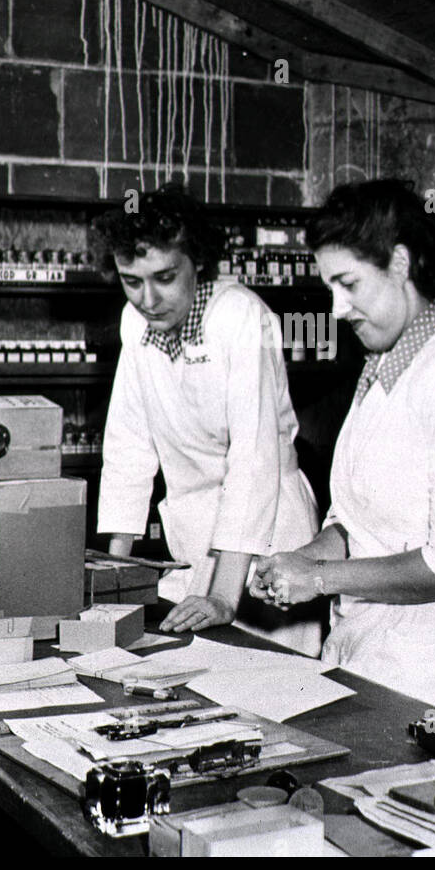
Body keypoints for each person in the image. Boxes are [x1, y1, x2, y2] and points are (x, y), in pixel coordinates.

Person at [252, 179, 435, 712]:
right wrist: (299, 560)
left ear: (399, 263)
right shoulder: (381, 368)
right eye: (330, 288)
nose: (338, 308)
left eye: (348, 284)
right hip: (367, 649)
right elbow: (357, 522)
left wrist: (320, 579)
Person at [91, 188, 322, 655]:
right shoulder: (134, 324)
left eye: (164, 277)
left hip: (267, 536)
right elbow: (128, 446)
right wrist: (113, 580)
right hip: (195, 535)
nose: (148, 299)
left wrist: (223, 595)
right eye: (131, 281)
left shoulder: (239, 316)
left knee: (270, 692)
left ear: (197, 261)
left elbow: (254, 458)